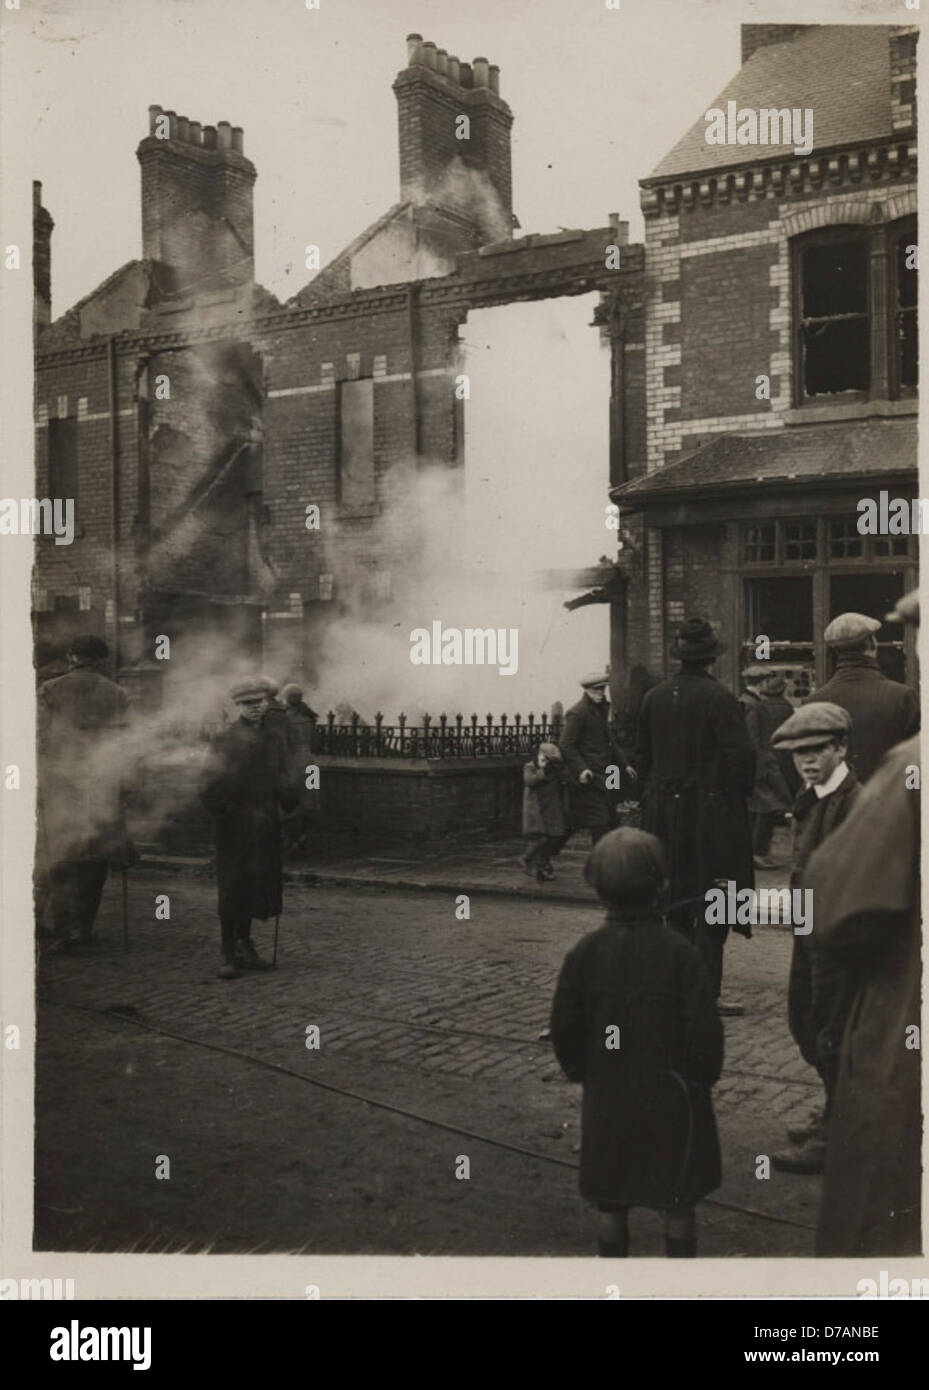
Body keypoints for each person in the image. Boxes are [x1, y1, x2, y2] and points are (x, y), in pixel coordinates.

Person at [806, 588, 921, 1256]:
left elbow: (833, 906)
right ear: (873, 648)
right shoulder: (902, 701)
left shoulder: (818, 699)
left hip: (857, 855)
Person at [550, 828, 723, 1258]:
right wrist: (700, 1079)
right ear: (661, 886)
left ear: (597, 891)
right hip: (674, 1097)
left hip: (610, 1095)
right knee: (678, 1203)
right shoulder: (682, 953)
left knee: (611, 1200)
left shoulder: (584, 953)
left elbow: (565, 1028)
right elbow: (704, 1030)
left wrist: (582, 1070)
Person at [635, 618, 755, 1014]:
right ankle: (704, 994)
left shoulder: (653, 697)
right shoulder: (720, 698)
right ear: (711, 659)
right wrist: (734, 798)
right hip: (709, 817)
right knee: (714, 901)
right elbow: (743, 757)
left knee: (675, 903)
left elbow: (642, 759)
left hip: (662, 816)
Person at [769, 702, 861, 1174]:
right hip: (810, 933)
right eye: (798, 753)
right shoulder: (814, 796)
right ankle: (834, 1111)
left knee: (832, 1031)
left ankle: (838, 1135)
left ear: (840, 748)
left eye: (816, 750)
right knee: (806, 1021)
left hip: (836, 942)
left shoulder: (851, 803)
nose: (806, 761)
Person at [36, 635, 133, 952]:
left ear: (72, 657)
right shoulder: (118, 694)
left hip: (61, 785)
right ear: (101, 660)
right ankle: (85, 927)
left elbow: (39, 739)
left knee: (62, 856)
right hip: (103, 786)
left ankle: (66, 932)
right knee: (94, 859)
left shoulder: (50, 690)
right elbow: (127, 745)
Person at [200, 677, 298, 980]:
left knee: (258, 885)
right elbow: (208, 784)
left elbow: (283, 774)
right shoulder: (225, 739)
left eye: (260, 703)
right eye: (249, 704)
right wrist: (226, 812)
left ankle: (245, 944)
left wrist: (288, 799)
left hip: (266, 821)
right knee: (232, 886)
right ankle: (228, 952)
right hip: (235, 824)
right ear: (238, 706)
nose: (256, 709)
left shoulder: (274, 738)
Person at [806, 612, 918, 783]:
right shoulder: (902, 696)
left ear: (835, 650)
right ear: (872, 643)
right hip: (889, 804)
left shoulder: (813, 703)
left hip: (836, 807)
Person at [559, 673, 635, 846]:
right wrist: (581, 769)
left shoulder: (602, 709)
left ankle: (610, 861)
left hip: (610, 772)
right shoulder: (577, 713)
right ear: (587, 690)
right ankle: (541, 855)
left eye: (603, 688)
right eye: (596, 689)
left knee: (613, 817)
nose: (601, 692)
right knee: (598, 822)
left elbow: (610, 741)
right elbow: (566, 744)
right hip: (592, 775)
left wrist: (625, 765)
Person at [744, 672, 800, 869]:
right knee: (768, 807)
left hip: (763, 763)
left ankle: (755, 851)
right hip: (770, 763)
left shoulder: (753, 704)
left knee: (762, 808)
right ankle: (757, 852)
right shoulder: (762, 707)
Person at [519, 742, 569, 882]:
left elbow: (564, 777)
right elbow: (529, 781)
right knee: (542, 838)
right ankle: (529, 859)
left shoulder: (554, 768)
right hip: (537, 809)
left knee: (554, 837)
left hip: (551, 807)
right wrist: (542, 770)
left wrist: (558, 767)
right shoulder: (530, 766)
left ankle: (542, 865)